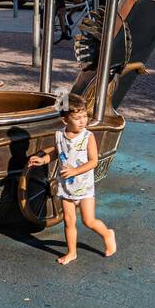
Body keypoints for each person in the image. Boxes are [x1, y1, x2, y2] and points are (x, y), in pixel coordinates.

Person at [27, 99, 117, 265]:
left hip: (84, 186)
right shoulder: (59, 135)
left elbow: (93, 161)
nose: (83, 121)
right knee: (68, 221)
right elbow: (56, 152)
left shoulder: (88, 137)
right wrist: (44, 160)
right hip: (66, 185)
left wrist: (75, 171)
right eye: (77, 118)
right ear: (65, 120)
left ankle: (107, 234)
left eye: (84, 116)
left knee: (88, 221)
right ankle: (72, 252)